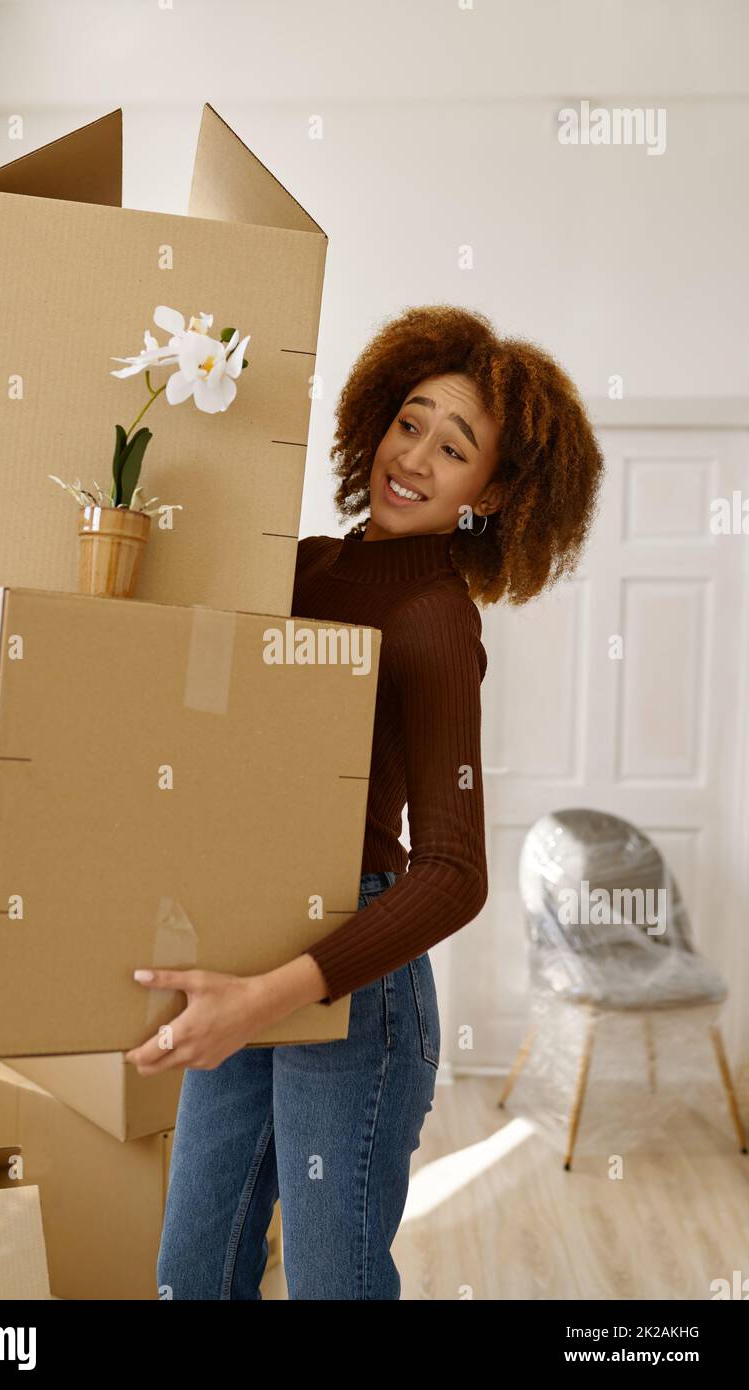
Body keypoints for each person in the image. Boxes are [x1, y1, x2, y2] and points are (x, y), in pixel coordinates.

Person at [126, 303, 605, 1299]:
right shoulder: (301, 567)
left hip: (358, 985)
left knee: (331, 1281)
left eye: (456, 445)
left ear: (496, 492)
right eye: (411, 420)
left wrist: (272, 993)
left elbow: (455, 873)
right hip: (249, 943)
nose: (416, 455)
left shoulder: (435, 622)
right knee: (190, 1272)